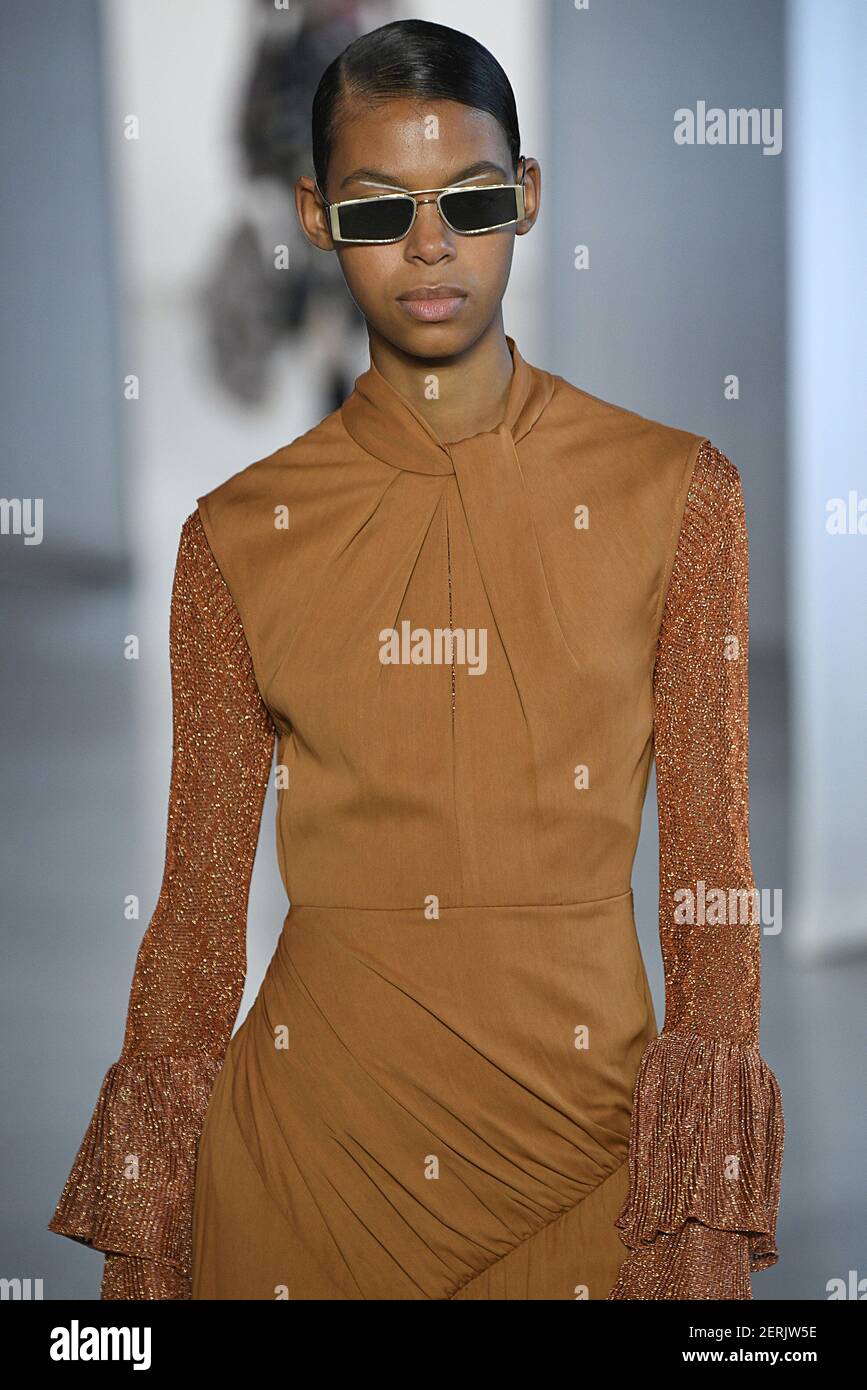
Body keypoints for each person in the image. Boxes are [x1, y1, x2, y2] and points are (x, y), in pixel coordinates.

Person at [48, 17, 783, 1301]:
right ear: (318, 215)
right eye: (382, 208)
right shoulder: (237, 538)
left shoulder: (678, 495)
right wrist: (149, 1248)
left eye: (474, 200)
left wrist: (701, 1225)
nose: (432, 245)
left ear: (531, 199)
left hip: (591, 1162)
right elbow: (197, 909)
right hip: (303, 1168)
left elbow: (713, 888)